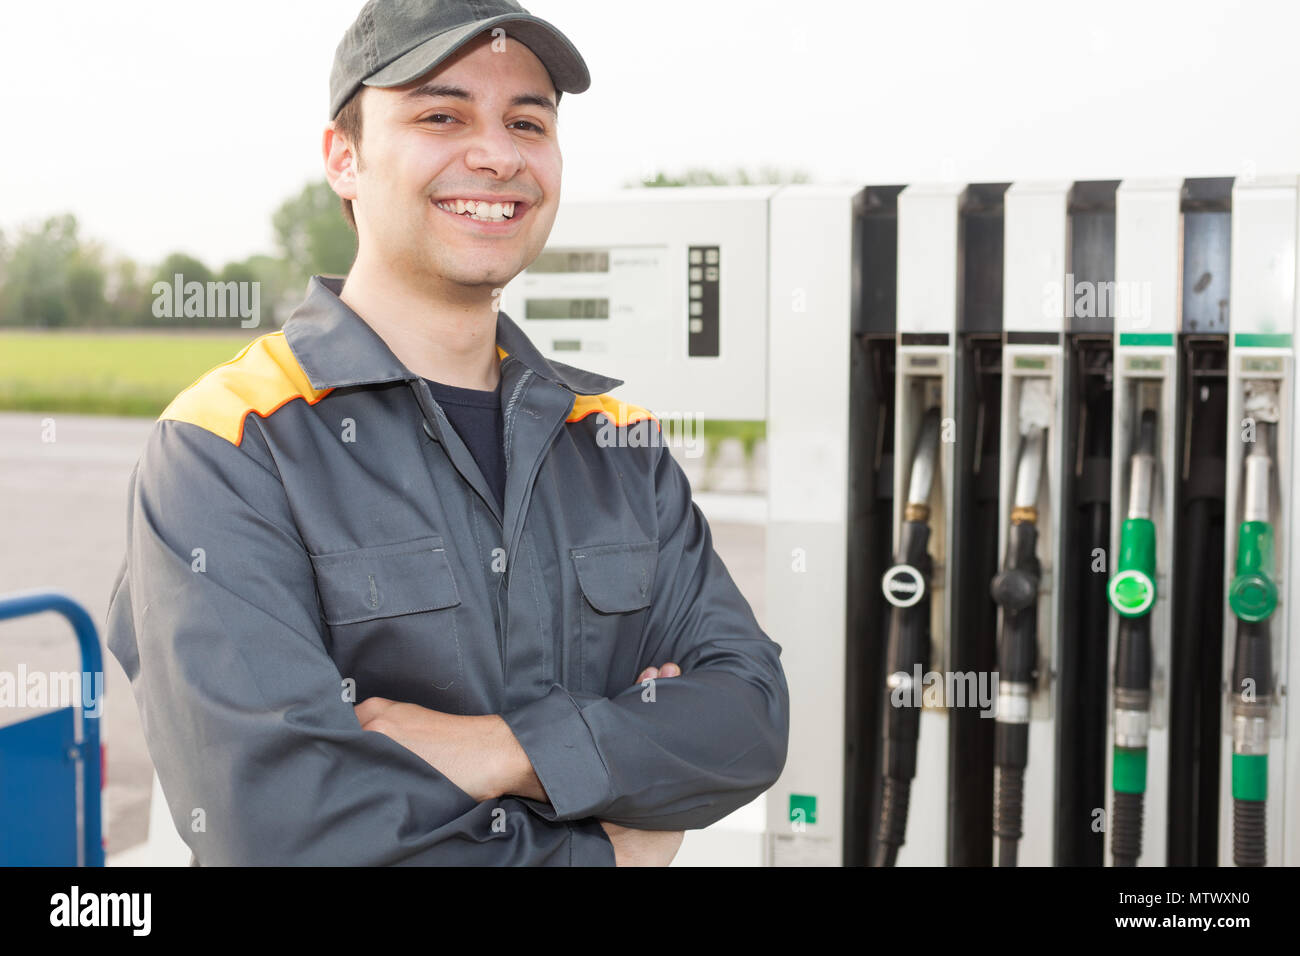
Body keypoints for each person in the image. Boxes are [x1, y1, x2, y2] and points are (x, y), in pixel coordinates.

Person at [106, 0, 789, 866]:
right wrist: (610, 848)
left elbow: (748, 720)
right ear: (343, 159)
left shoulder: (617, 446)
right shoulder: (227, 447)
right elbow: (284, 833)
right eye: (442, 114)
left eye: (527, 121)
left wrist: (502, 750)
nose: (498, 153)